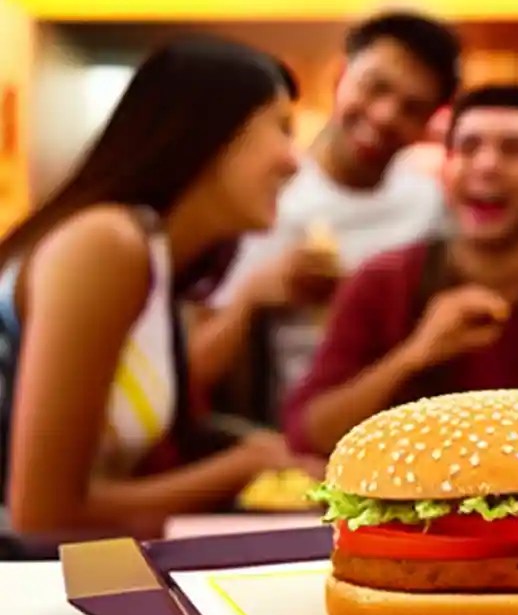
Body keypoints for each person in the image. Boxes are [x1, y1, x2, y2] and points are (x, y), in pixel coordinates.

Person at [0, 37, 323, 536]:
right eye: (281, 128)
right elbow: (41, 514)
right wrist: (240, 467)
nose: (294, 161)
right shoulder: (105, 244)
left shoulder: (151, 254)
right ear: (212, 129)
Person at [195, 12, 462, 417]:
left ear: (429, 122)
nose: (385, 115)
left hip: (399, 426)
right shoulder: (266, 196)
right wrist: (256, 293)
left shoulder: (428, 205)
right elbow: (192, 374)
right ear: (339, 77)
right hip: (279, 435)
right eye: (375, 87)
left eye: (412, 108)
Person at [284, 85, 518, 457]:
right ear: (445, 170)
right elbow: (309, 435)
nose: (487, 165)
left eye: (514, 149)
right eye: (468, 147)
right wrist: (415, 354)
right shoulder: (383, 280)